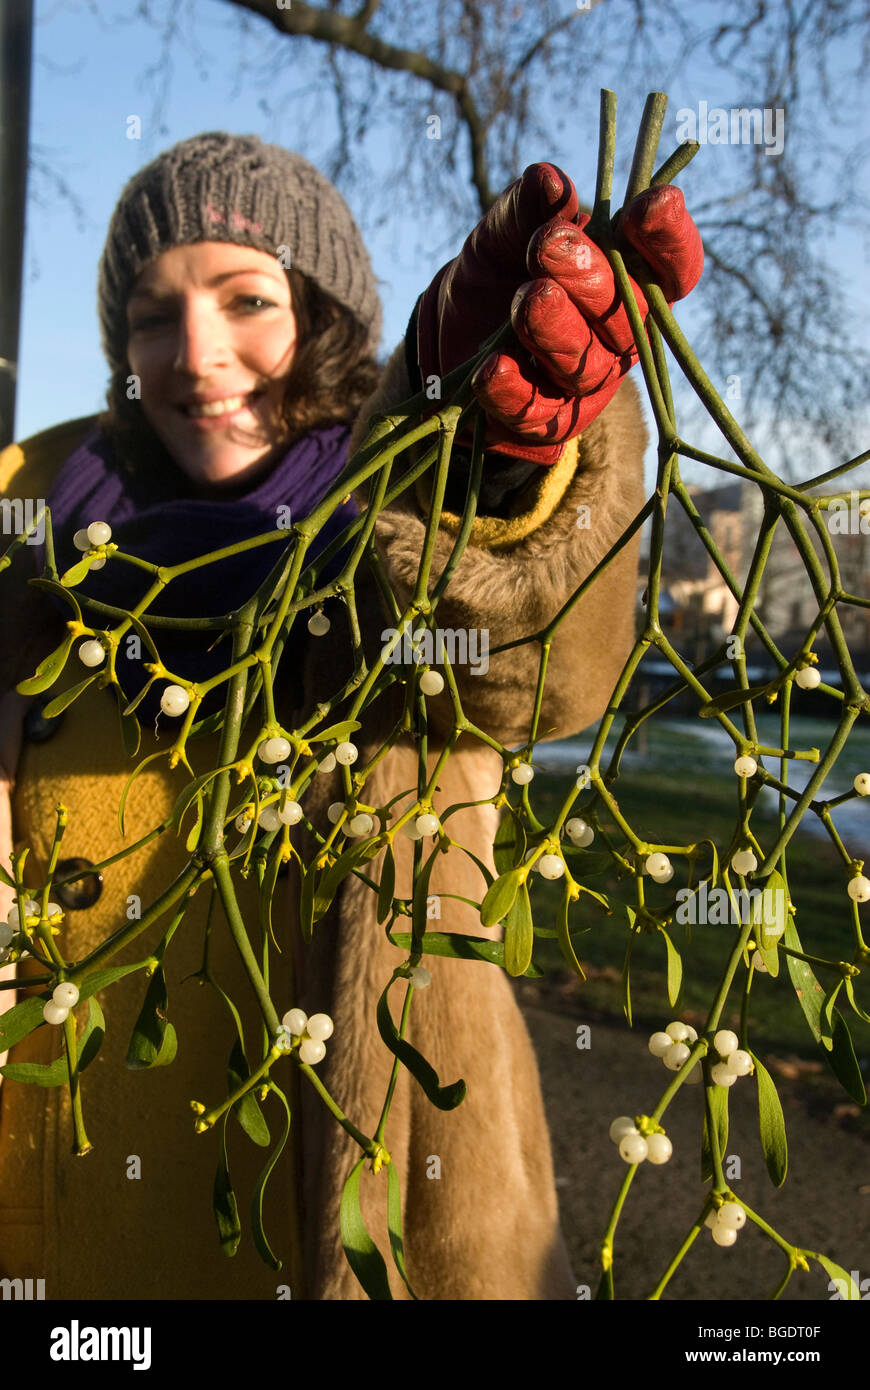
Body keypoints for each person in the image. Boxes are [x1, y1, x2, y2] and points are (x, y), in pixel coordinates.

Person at [0, 133, 702, 1300]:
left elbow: (536, 661)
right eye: (154, 315)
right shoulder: (41, 525)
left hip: (379, 1238)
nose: (197, 355)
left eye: (246, 300)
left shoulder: (388, 516)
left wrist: (497, 463)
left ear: (325, 318)